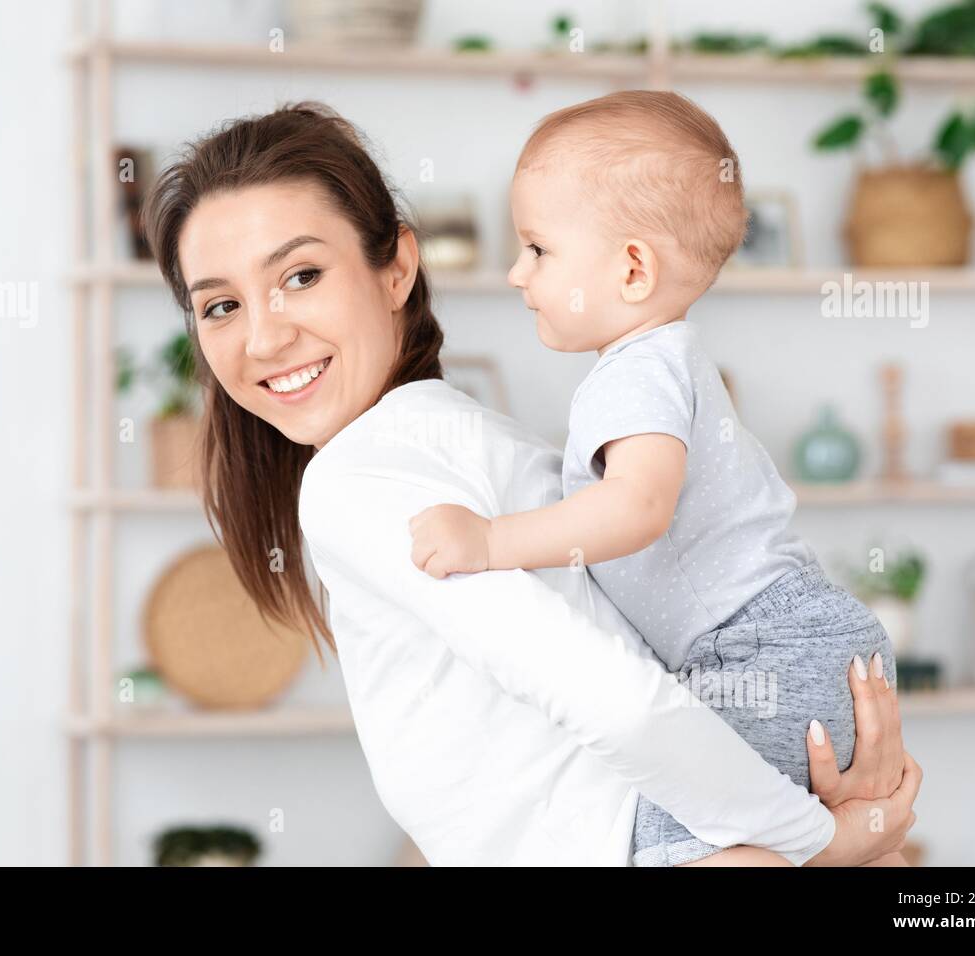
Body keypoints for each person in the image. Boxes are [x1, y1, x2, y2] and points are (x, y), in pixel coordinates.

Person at [141, 101, 920, 866]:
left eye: (301, 275)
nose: (265, 335)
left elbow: (617, 699)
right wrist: (829, 825)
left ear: (399, 268)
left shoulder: (355, 479)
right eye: (220, 306)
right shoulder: (501, 443)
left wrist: (814, 841)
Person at [406, 91, 906, 866]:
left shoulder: (632, 374)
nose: (515, 273)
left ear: (633, 268)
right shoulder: (669, 362)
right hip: (798, 640)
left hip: (755, 650)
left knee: (682, 845)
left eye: (537, 249)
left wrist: (488, 540)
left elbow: (636, 507)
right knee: (759, 835)